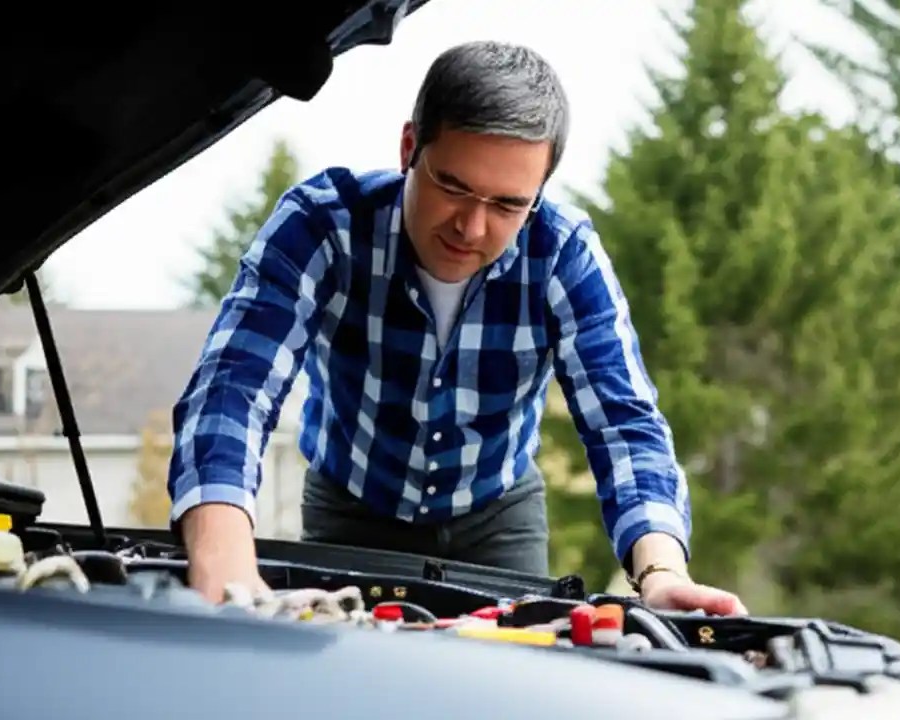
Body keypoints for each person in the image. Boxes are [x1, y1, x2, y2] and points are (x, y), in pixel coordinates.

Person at [166, 40, 747, 617]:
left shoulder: (565, 254)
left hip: (498, 517)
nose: (471, 227)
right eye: (453, 187)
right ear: (409, 148)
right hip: (350, 507)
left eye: (506, 205)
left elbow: (623, 422)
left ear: (538, 193)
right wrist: (225, 557)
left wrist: (661, 570)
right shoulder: (323, 225)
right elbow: (234, 387)